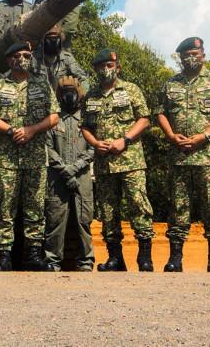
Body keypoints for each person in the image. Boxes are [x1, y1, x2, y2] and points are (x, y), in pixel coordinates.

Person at [156, 36, 210, 273]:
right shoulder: (171, 84)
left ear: (203, 54)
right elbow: (160, 112)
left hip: (208, 155)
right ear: (180, 57)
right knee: (178, 207)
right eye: (186, 54)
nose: (191, 57)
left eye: (195, 53)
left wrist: (205, 136)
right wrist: (170, 136)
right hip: (179, 155)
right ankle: (175, 258)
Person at [0, 41, 59, 271]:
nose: (23, 58)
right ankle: (4, 255)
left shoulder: (42, 84)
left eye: (27, 55)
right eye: (17, 55)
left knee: (35, 205)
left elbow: (54, 116)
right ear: (9, 60)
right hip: (7, 156)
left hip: (35, 156)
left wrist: (32, 130)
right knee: (5, 206)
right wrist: (10, 130)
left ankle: (33, 255)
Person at [82, 49, 155, 272]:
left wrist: (125, 139)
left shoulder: (131, 89)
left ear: (118, 68)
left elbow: (144, 119)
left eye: (110, 66)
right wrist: (95, 143)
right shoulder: (91, 95)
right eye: (101, 66)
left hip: (130, 161)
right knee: (108, 211)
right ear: (95, 69)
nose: (106, 70)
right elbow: (85, 127)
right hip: (104, 164)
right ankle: (115, 258)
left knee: (139, 206)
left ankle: (145, 258)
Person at [44, 76, 94, 271]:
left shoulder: (87, 118)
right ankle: (52, 261)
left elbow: (92, 148)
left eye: (72, 92)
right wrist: (64, 171)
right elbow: (48, 147)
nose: (68, 96)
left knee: (84, 220)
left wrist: (74, 168)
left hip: (82, 177)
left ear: (79, 93)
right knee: (55, 221)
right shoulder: (53, 119)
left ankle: (86, 262)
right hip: (57, 178)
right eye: (64, 93)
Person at [32, 25, 88, 92]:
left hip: (61, 99)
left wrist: (81, 94)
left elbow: (83, 78)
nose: (53, 42)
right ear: (43, 40)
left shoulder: (67, 58)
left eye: (55, 38)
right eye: (49, 38)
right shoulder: (33, 58)